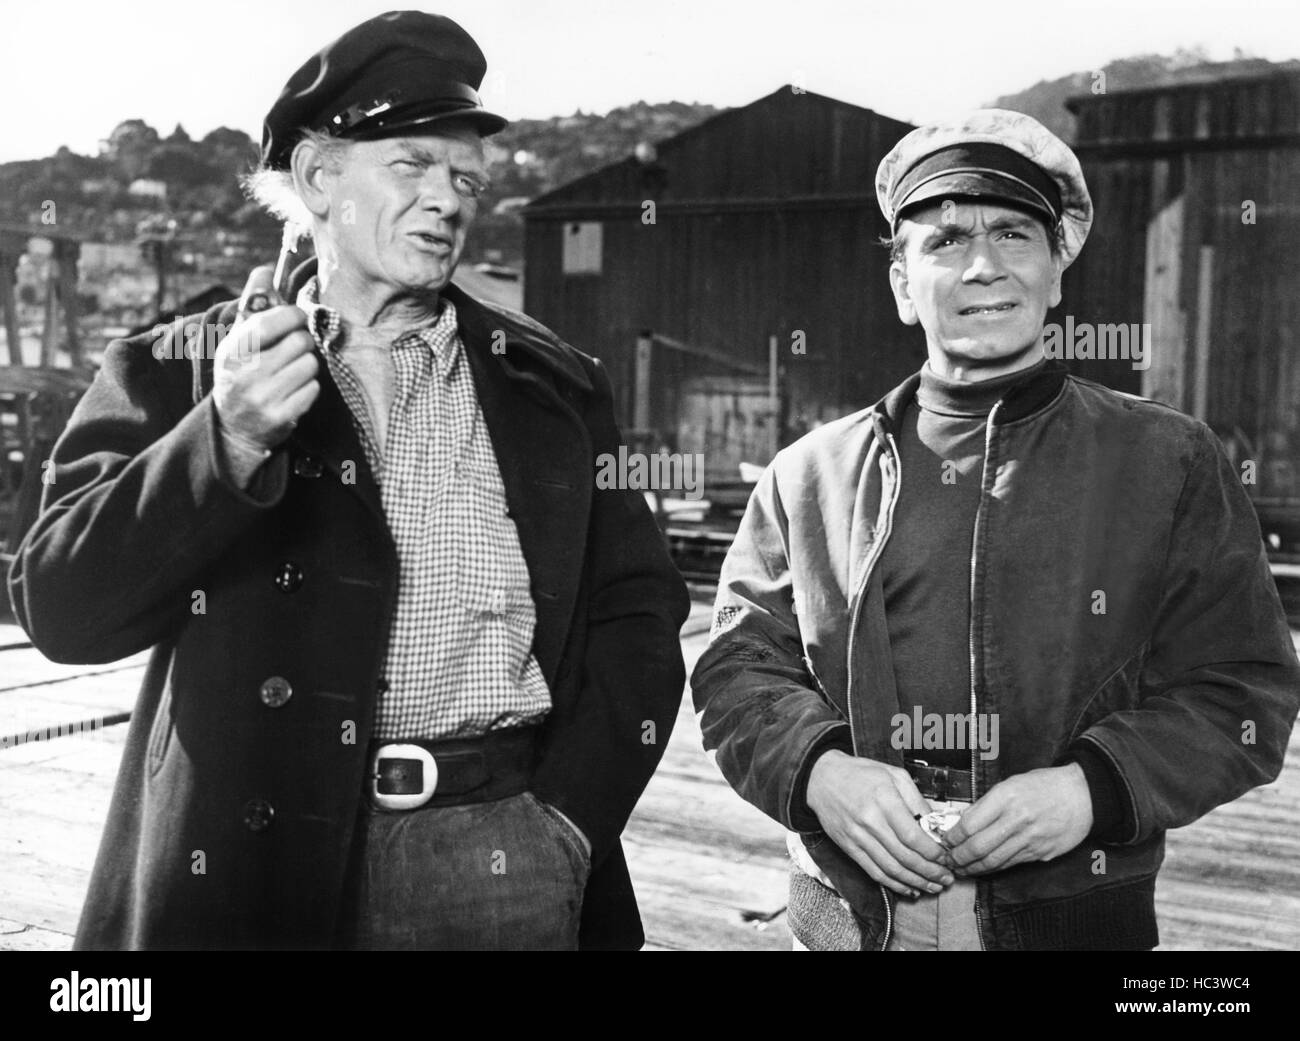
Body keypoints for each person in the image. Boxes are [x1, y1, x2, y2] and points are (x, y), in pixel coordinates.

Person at [7, 11, 689, 951]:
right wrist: (225, 439)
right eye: (411, 165)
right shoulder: (178, 369)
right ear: (321, 178)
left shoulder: (556, 387)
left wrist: (566, 822)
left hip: (496, 858)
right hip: (248, 866)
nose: (448, 200)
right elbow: (61, 607)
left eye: (466, 179)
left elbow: (641, 613)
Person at [690, 109, 1300, 950]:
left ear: (1056, 273)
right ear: (903, 284)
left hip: (1071, 921)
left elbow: (1243, 689)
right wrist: (820, 769)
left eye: (1015, 234)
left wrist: (1093, 789)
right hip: (848, 922)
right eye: (944, 241)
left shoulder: (1168, 459)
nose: (984, 265)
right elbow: (736, 671)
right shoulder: (808, 474)